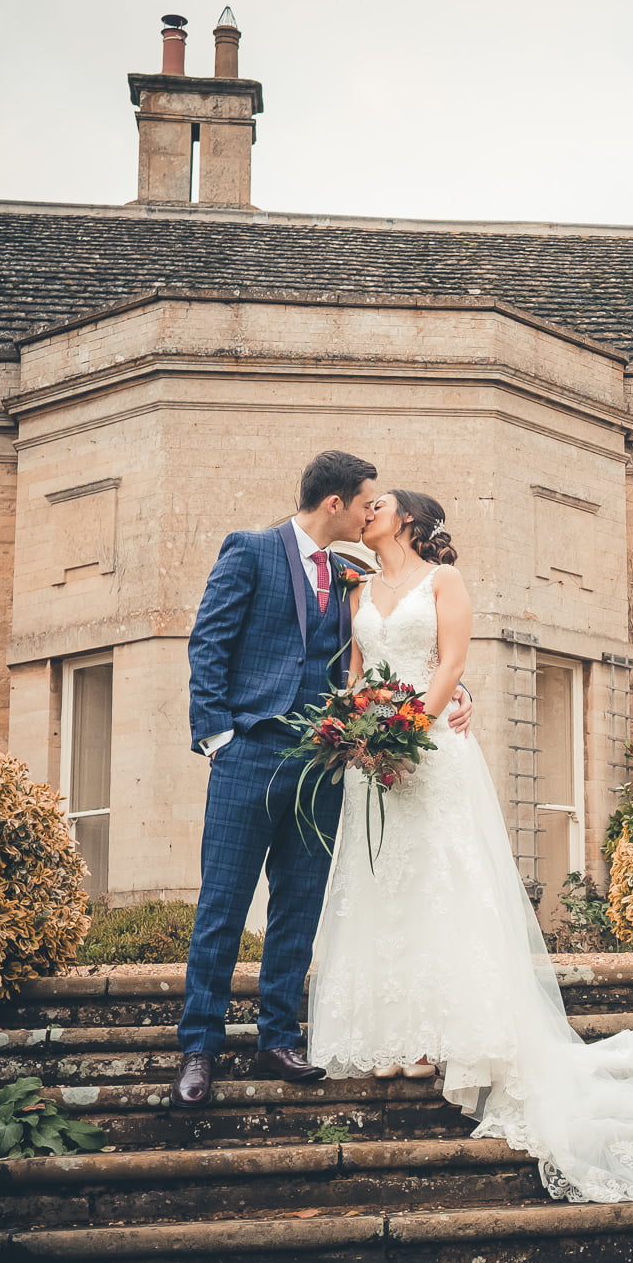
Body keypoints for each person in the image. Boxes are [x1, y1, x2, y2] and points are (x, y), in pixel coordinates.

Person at [307, 488, 633, 1263]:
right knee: (384, 889)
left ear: (414, 520)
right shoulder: (360, 586)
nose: (370, 508)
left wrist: (407, 733)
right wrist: (360, 732)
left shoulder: (443, 583)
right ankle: (393, 1034)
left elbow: (452, 664)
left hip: (428, 755)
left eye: (383, 502)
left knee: (444, 890)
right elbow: (356, 669)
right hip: (373, 762)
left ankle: (447, 1037)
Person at [175, 451, 474, 1108]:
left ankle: (277, 1035)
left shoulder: (353, 574)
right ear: (335, 504)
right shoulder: (250, 550)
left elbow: (398, 647)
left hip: (326, 765)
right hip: (248, 754)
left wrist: (457, 692)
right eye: (367, 503)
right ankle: (199, 1045)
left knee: (298, 907)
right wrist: (218, 736)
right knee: (222, 905)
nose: (373, 513)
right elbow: (209, 644)